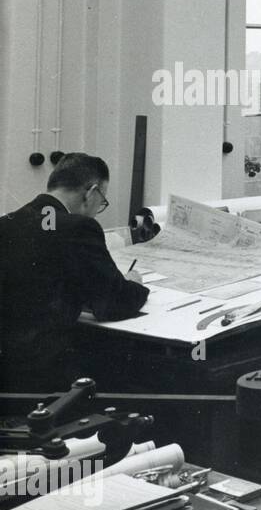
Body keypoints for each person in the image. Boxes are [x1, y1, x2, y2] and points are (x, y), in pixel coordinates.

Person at [0, 153, 149, 390]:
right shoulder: (79, 227)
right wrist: (133, 282)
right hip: (44, 371)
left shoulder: (6, 223)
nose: (96, 210)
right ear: (91, 193)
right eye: (101, 203)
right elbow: (116, 301)